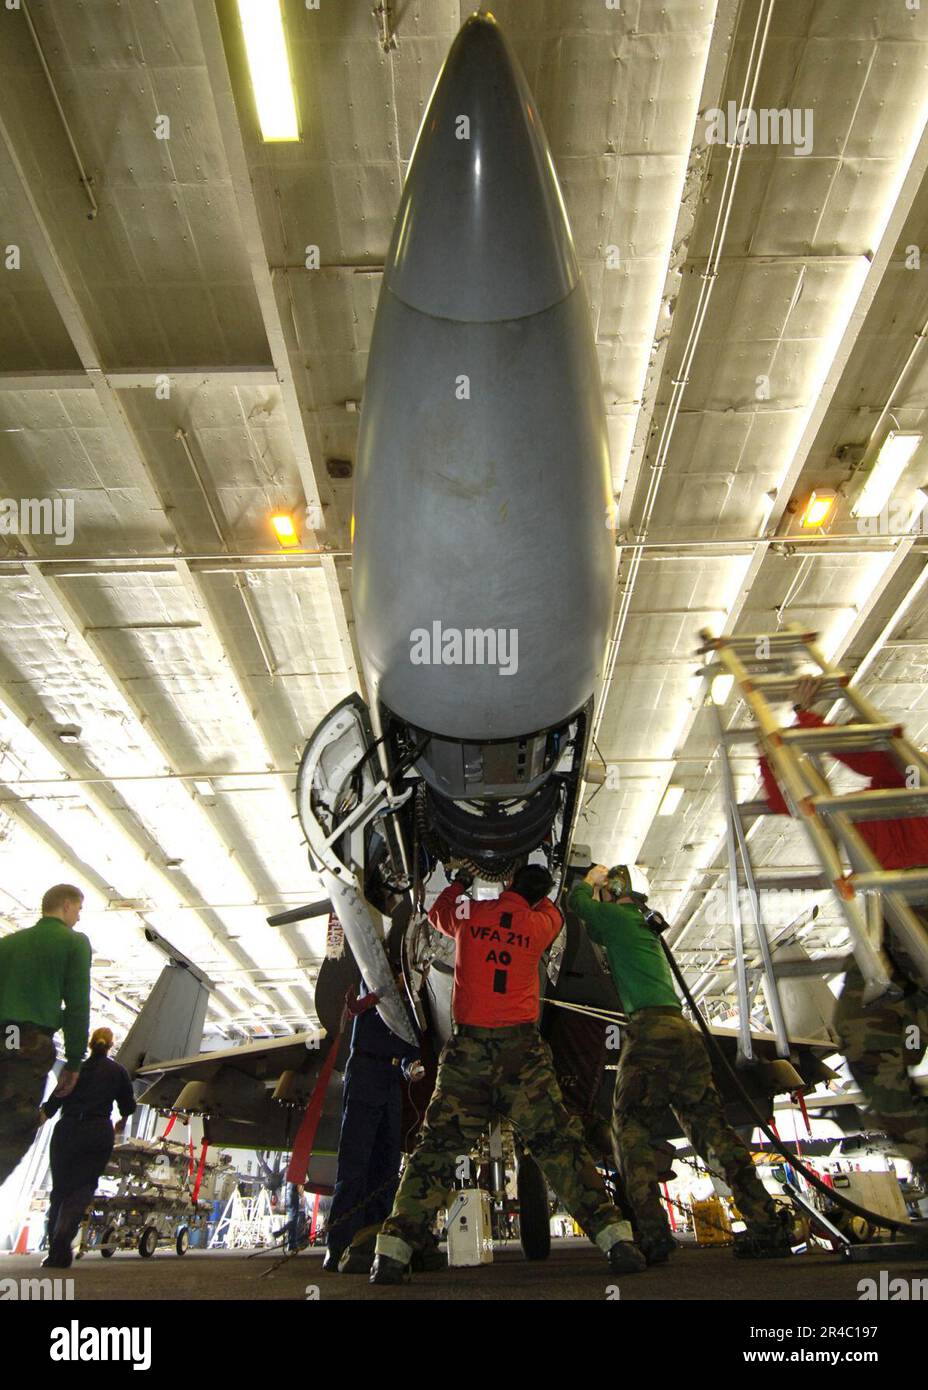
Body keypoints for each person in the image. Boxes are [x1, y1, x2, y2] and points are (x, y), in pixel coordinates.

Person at [370, 863, 647, 1283]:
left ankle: (391, 1254)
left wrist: (460, 881)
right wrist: (584, 881)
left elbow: (439, 911)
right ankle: (616, 1241)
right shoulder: (540, 925)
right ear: (534, 897)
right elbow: (562, 911)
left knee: (438, 1148)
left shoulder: (472, 917)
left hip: (469, 1052)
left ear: (512, 883)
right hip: (523, 1055)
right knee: (560, 1144)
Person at [568, 864, 793, 1263]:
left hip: (651, 1032)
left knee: (630, 1134)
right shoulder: (640, 924)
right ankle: (767, 1226)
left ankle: (653, 1237)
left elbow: (577, 904)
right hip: (684, 1035)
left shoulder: (619, 917)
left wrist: (590, 879)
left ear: (617, 889)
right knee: (713, 1134)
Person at [758, 675, 928, 1184]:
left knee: (869, 1039)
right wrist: (775, 750)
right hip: (896, 932)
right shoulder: (863, 816)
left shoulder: (913, 777)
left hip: (909, 922)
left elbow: (879, 755)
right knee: (863, 1042)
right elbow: (789, 803)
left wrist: (804, 720)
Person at [323, 983, 424, 1273]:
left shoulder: (411, 1002)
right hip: (366, 1071)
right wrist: (370, 1000)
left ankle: (373, 1243)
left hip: (391, 1080)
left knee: (386, 1166)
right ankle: (338, 1246)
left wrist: (410, 1066)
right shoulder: (374, 981)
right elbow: (373, 994)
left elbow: (410, 1044)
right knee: (354, 1162)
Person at [0, 884, 90, 1186]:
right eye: (78, 909)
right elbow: (77, 1004)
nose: (78, 917)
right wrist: (75, 1061)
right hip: (28, 1042)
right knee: (15, 1126)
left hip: (7, 1035)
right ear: (66, 906)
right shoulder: (73, 943)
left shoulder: (8, 943)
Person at [39, 1025, 134, 1268]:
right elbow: (128, 1106)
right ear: (111, 1045)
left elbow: (54, 1101)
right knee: (83, 1187)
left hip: (67, 1130)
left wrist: (37, 1120)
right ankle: (64, 1232)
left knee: (59, 1191)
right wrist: (121, 1120)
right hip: (97, 1131)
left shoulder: (76, 1068)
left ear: (91, 1044)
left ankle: (55, 1254)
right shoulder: (117, 1071)